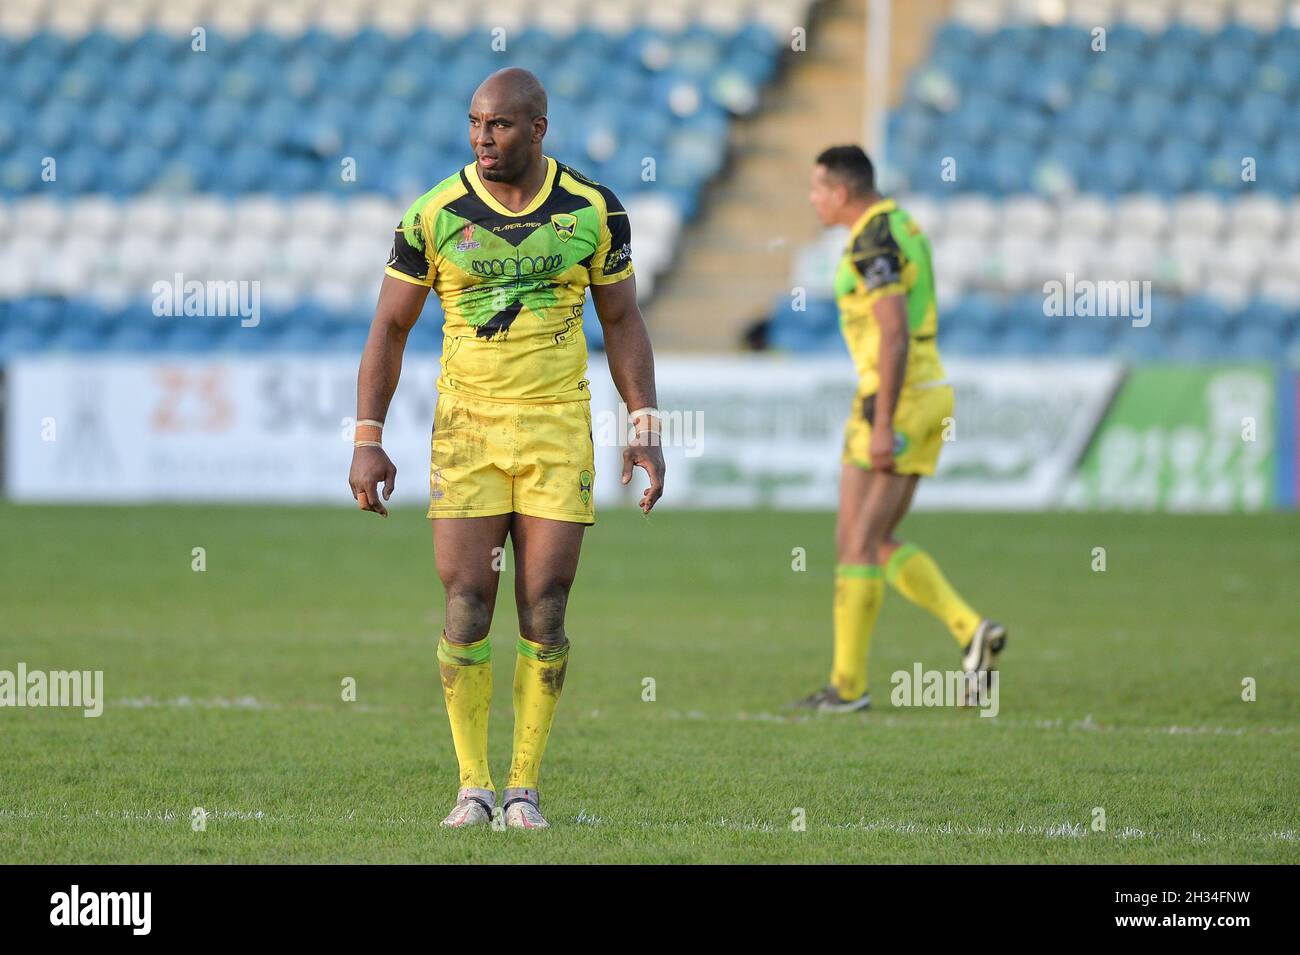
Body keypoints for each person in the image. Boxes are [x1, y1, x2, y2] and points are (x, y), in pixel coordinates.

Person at [348, 68, 664, 827]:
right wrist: (368, 438)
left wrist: (644, 424)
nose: (483, 139)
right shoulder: (434, 212)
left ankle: (523, 786)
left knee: (546, 605)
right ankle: (472, 785)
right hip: (467, 429)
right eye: (475, 124)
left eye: (500, 125)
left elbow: (622, 321)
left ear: (539, 129)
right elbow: (390, 329)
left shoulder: (593, 209)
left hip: (558, 426)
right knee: (466, 602)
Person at [793, 145, 1005, 713]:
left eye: (817, 189)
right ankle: (969, 630)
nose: (812, 199)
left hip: (900, 398)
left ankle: (849, 688)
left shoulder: (871, 241)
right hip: (897, 394)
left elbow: (893, 332)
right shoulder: (898, 223)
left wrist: (884, 421)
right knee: (864, 541)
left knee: (861, 540)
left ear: (840, 192)